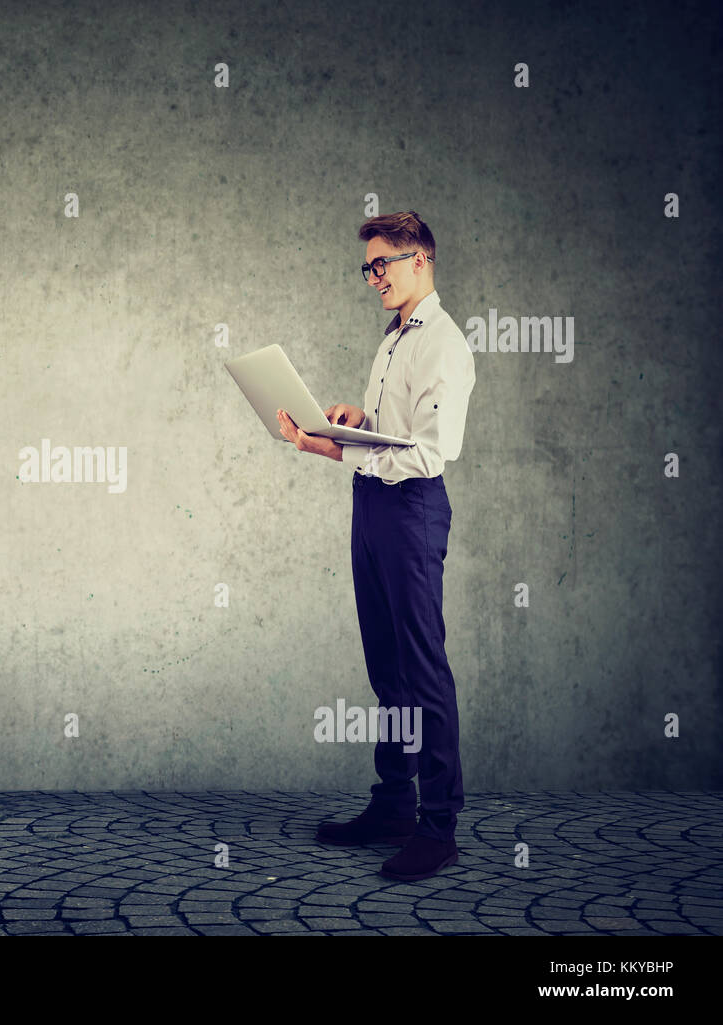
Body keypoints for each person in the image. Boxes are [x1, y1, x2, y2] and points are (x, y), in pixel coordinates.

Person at [276, 211, 475, 881]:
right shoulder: (393, 339)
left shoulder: (443, 342)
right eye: (368, 267)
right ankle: (393, 804)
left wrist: (354, 443)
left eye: (383, 263)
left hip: (412, 510)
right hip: (371, 504)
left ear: (420, 259)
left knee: (424, 674)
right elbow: (388, 434)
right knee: (388, 671)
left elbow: (430, 450)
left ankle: (439, 826)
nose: (374, 277)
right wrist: (337, 432)